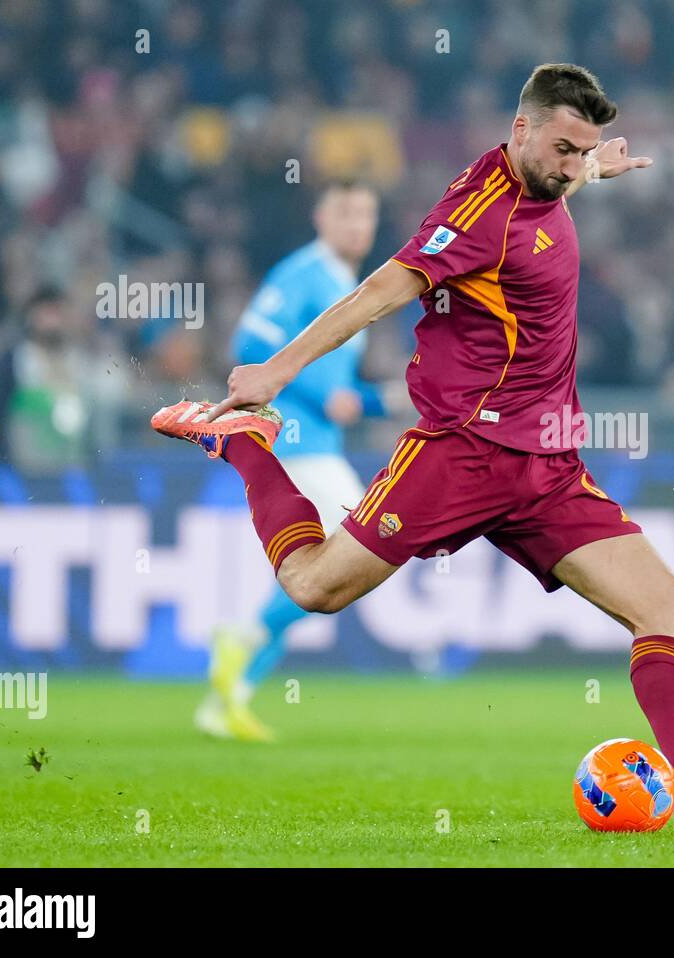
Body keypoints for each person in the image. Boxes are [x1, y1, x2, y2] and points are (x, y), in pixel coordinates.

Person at [153, 63, 674, 830]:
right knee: (311, 589)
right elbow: (379, 292)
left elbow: (549, 188)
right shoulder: (479, 212)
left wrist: (595, 168)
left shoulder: (543, 179)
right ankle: (244, 446)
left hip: (549, 468)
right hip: (463, 453)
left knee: (667, 609)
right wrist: (278, 371)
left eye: (581, 153)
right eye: (564, 149)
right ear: (521, 129)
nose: (570, 168)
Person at [195, 180, 396, 741]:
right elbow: (250, 347)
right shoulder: (303, 272)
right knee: (364, 545)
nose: (358, 224)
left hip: (321, 443)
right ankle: (244, 637)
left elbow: (341, 388)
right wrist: (325, 395)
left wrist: (374, 398)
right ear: (321, 217)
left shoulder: (345, 281)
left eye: (367, 213)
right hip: (295, 440)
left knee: (313, 570)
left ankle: (224, 702)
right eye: (347, 211)